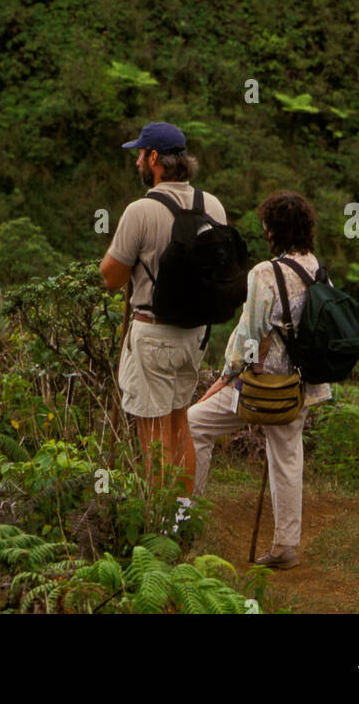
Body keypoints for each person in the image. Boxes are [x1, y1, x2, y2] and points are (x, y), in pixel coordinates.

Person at [187, 190, 331, 568]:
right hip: (301, 385)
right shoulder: (316, 268)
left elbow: (250, 335)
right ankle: (286, 545)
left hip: (263, 386)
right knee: (286, 455)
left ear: (274, 230)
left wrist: (226, 377)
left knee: (195, 424)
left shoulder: (265, 273)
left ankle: (186, 524)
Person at [99, 122, 227, 504]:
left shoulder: (141, 210)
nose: (137, 161)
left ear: (154, 159)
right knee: (179, 423)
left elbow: (111, 276)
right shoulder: (212, 205)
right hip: (195, 334)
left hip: (154, 333)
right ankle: (182, 514)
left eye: (140, 154)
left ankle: (160, 524)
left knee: (154, 436)